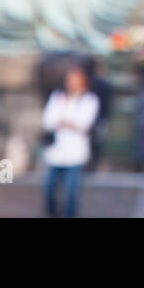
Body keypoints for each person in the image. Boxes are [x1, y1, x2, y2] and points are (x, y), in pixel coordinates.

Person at [40, 65, 99, 217]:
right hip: (55, 153)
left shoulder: (89, 100)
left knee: (71, 194)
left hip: (75, 155)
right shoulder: (58, 97)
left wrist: (65, 121)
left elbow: (83, 123)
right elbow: (48, 120)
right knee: (48, 190)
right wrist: (67, 121)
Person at [82, 57, 111, 172]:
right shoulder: (102, 83)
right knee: (96, 144)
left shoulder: (85, 83)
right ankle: (93, 165)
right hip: (100, 118)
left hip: (86, 118)